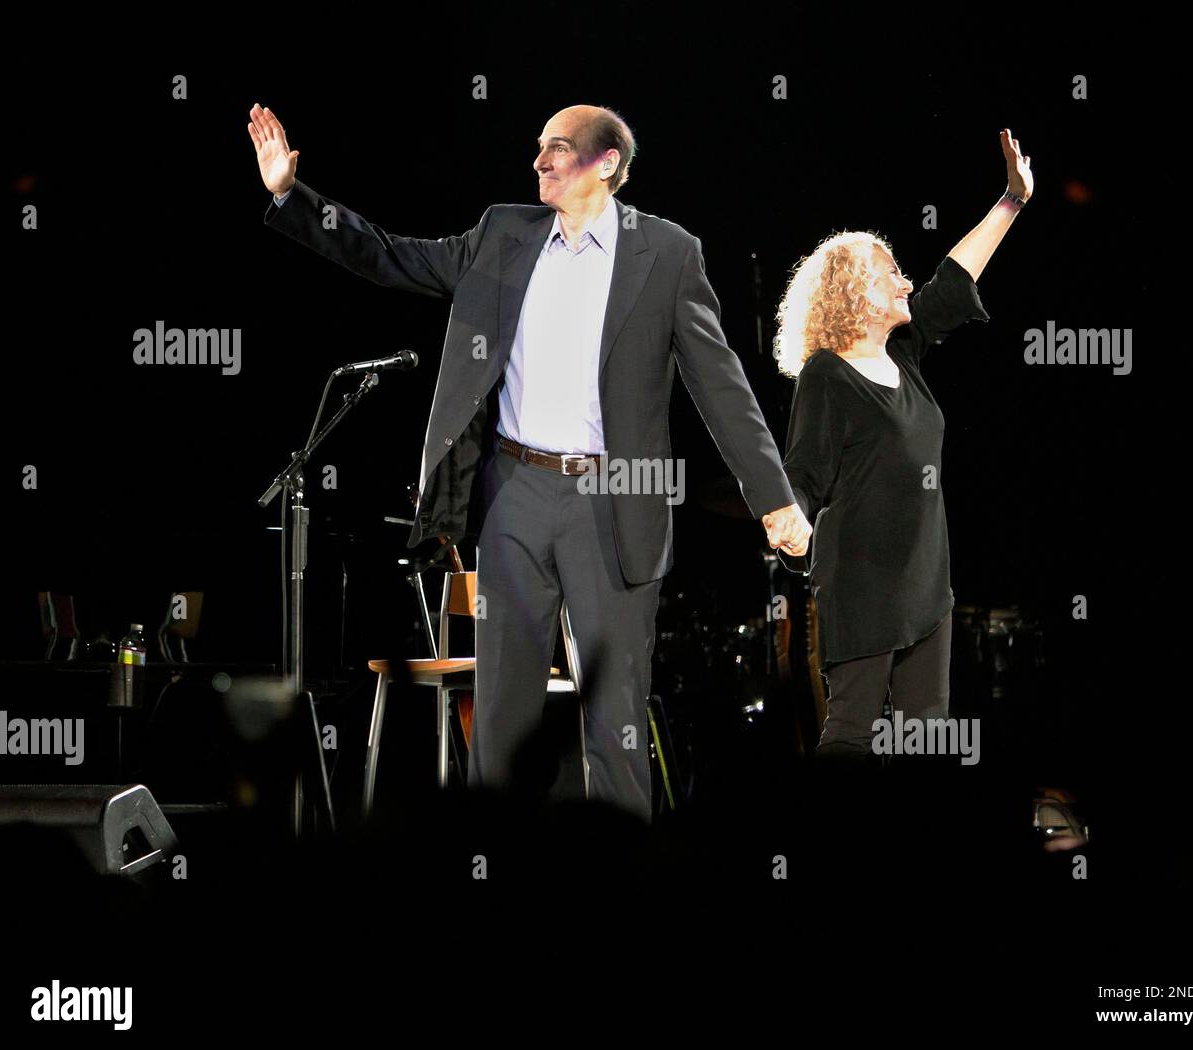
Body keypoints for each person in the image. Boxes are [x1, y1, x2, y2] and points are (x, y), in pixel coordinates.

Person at [247, 102, 812, 820]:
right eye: (540, 147)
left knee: (615, 715)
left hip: (612, 501)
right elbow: (391, 256)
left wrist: (774, 498)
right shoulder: (503, 234)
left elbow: (721, 385)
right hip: (514, 493)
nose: (540, 160)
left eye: (559, 147)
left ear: (606, 163)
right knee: (501, 717)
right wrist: (292, 196)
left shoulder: (667, 253)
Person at [774, 129, 1033, 760]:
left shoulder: (906, 356)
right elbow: (803, 473)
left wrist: (1011, 201)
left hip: (926, 578)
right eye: (891, 272)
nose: (906, 282)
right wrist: (790, 521)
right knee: (852, 734)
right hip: (860, 577)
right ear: (853, 289)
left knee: (927, 739)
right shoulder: (827, 374)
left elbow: (953, 279)